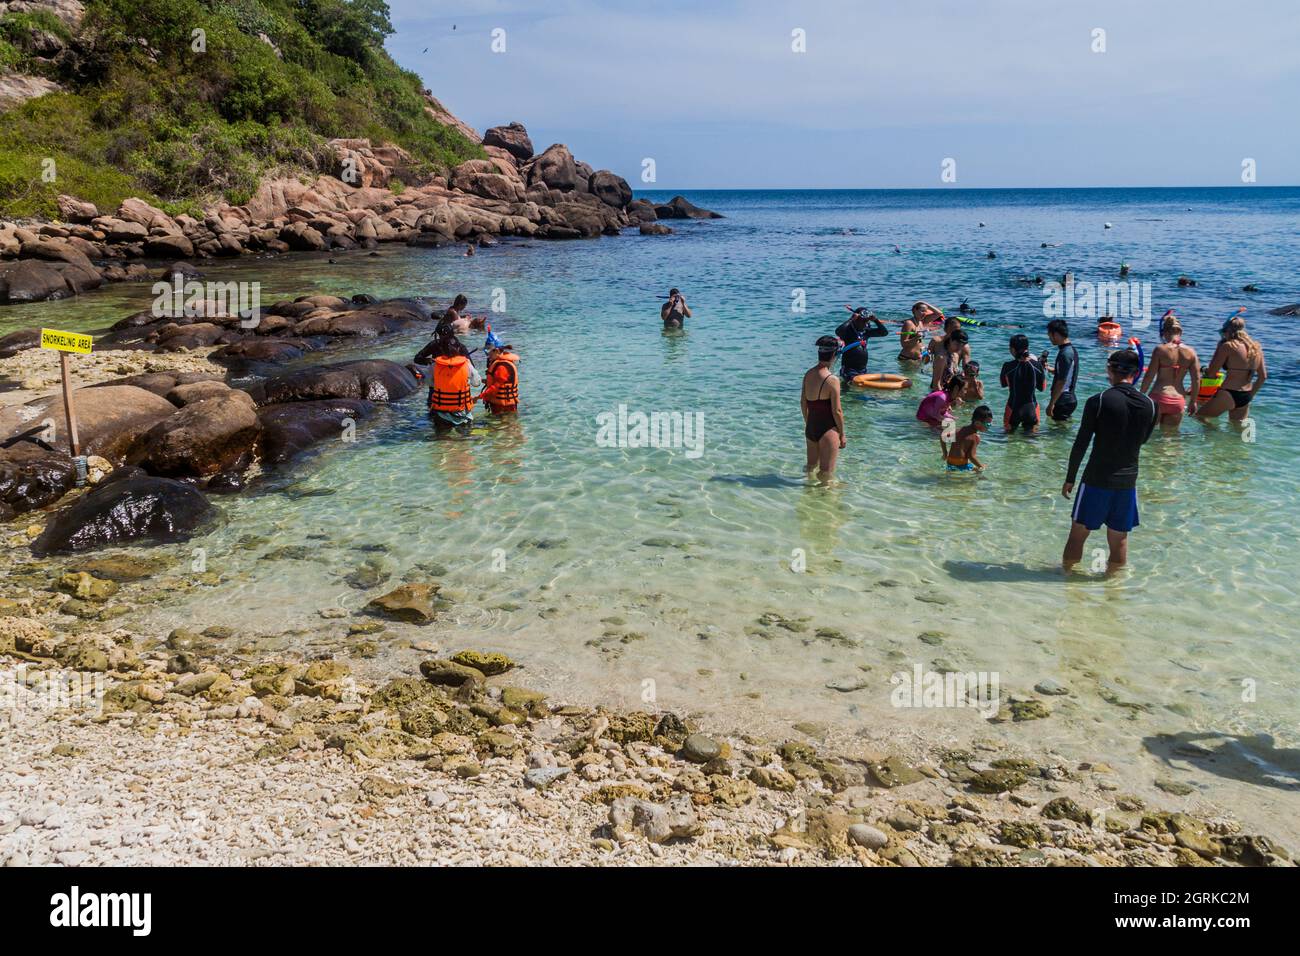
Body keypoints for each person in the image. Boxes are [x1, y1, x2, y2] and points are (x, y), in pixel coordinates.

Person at [1062, 349, 1156, 572]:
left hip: (1097, 479)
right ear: (1138, 372)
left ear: (1109, 369)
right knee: (1119, 539)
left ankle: (1067, 583)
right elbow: (1143, 440)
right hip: (1127, 483)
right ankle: (1112, 591)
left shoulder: (1100, 401)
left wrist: (1070, 478)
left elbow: (1081, 444)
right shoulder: (1151, 405)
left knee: (1078, 535)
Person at [1196, 314, 1267, 422]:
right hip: (1246, 395)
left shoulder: (1228, 346)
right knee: (1237, 432)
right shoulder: (1256, 347)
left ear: (1227, 331)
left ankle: (1215, 433)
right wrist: (1250, 396)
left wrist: (1218, 348)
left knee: (1199, 417)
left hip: (1228, 393)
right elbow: (1263, 377)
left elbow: (1211, 373)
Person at [416, 320, 483, 434]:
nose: (442, 340)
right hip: (460, 407)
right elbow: (476, 381)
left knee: (441, 437)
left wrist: (442, 380)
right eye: (441, 337)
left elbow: (428, 381)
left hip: (441, 403)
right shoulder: (464, 360)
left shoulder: (435, 363)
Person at [1140, 312, 1200, 428]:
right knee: (1171, 439)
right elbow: (1196, 379)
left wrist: (1141, 395)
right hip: (1178, 400)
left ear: (1165, 332)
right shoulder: (1191, 352)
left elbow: (1149, 376)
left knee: (1150, 436)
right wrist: (1193, 401)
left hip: (1159, 397)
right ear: (1180, 332)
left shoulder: (1160, 350)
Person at [802, 335, 846, 480]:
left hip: (811, 427)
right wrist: (842, 434)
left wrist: (808, 423)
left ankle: (807, 493)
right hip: (828, 429)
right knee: (826, 473)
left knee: (810, 467)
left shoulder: (808, 374)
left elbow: (803, 403)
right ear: (834, 355)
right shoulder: (832, 379)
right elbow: (837, 411)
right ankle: (826, 500)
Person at [1000, 333, 1046, 433]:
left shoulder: (1007, 366)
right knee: (1032, 441)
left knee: (1008, 439)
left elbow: (1004, 384)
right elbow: (1042, 388)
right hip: (1032, 408)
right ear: (1027, 348)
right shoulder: (1037, 365)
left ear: (1012, 349)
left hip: (1013, 407)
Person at [835, 307, 888, 382]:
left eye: (867, 321)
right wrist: (851, 319)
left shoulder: (866, 332)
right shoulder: (849, 331)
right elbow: (838, 331)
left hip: (862, 369)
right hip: (849, 369)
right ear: (855, 320)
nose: (865, 323)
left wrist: (876, 320)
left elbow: (884, 333)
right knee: (850, 388)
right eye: (862, 321)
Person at [1045, 319, 1080, 421]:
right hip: (1069, 399)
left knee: (1056, 433)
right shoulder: (1071, 350)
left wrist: (1051, 404)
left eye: (1049, 335)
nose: (1049, 338)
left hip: (1063, 400)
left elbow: (1061, 381)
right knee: (1062, 430)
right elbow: (1067, 373)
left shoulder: (1065, 354)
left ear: (1055, 334)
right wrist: (1050, 369)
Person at [942, 405, 992, 472]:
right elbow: (971, 456)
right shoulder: (975, 437)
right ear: (977, 423)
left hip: (949, 463)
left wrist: (945, 453)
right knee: (980, 472)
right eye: (988, 424)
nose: (989, 427)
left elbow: (942, 436)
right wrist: (981, 466)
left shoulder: (959, 430)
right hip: (961, 466)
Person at [477, 337, 519, 415]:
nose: (487, 355)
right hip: (502, 405)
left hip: (504, 407)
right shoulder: (500, 364)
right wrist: (483, 381)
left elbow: (495, 387)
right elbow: (501, 383)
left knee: (502, 426)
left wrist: (479, 397)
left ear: (496, 351)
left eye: (488, 352)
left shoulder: (501, 367)